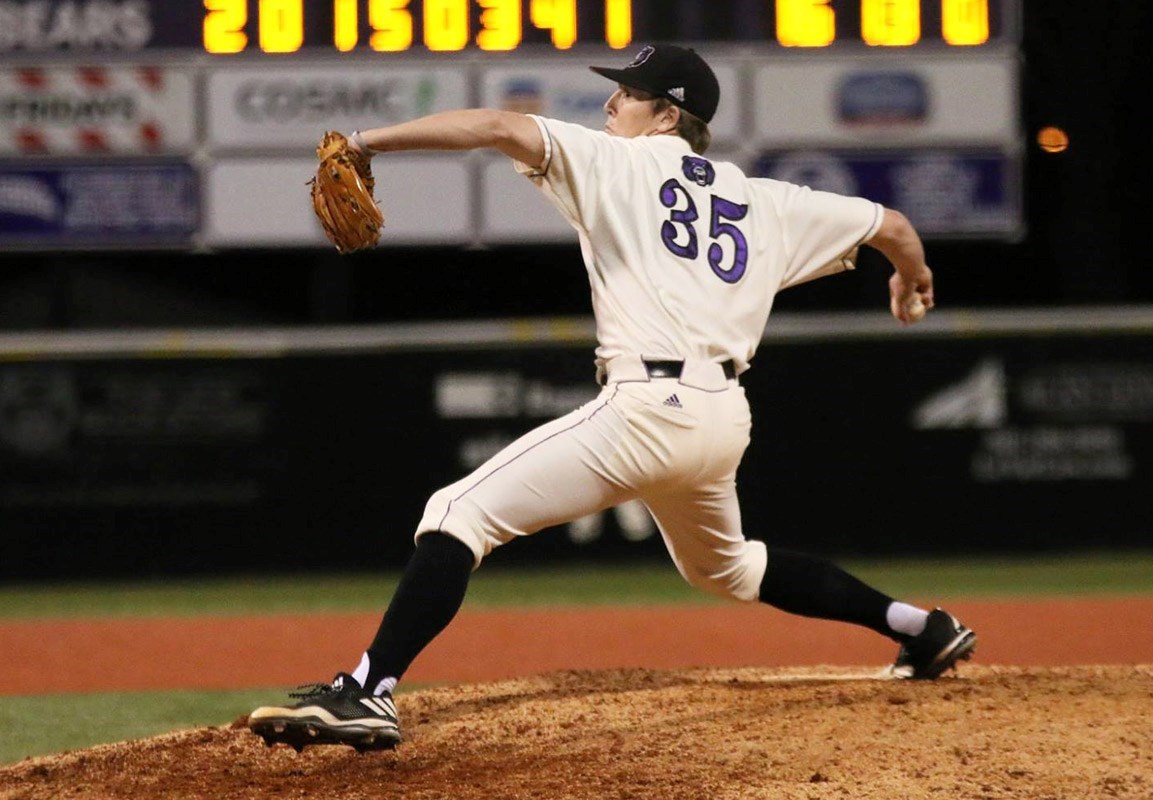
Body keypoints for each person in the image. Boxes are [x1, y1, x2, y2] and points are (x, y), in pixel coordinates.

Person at [247, 43, 976, 752]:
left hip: (648, 410)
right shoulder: (765, 200)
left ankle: (367, 689)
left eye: (627, 93)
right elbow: (893, 226)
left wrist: (366, 142)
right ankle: (921, 628)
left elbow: (497, 126)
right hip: (724, 417)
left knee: (456, 513)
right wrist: (911, 280)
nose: (610, 103)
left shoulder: (617, 161)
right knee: (726, 567)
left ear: (667, 116)